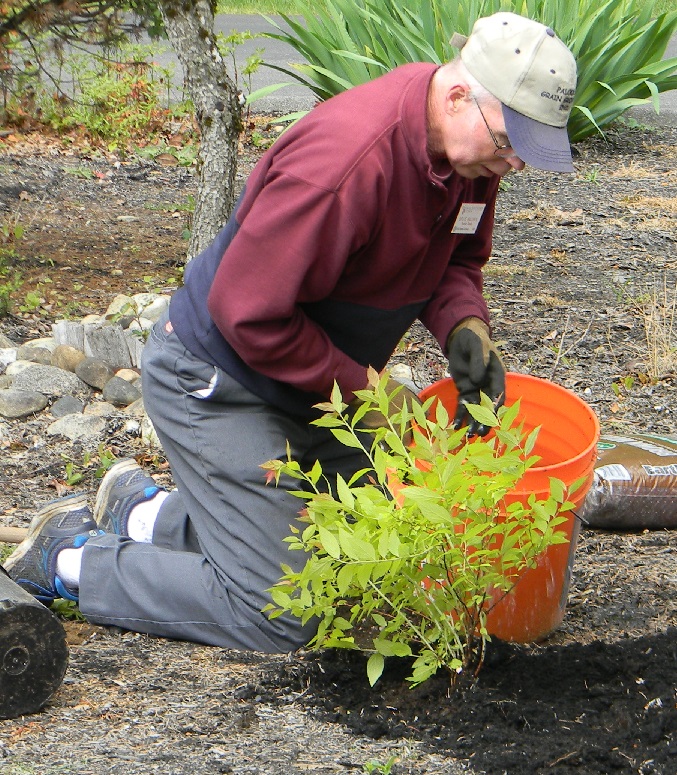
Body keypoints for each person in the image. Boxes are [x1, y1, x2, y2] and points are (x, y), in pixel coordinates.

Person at [4, 12, 577, 652]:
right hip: (220, 380)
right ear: (456, 96)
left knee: (367, 559)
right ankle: (70, 563)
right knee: (287, 609)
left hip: (314, 383)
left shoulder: (470, 161)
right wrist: (367, 391)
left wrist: (464, 325)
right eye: (508, 142)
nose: (516, 160)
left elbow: (458, 257)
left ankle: (144, 514)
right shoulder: (345, 165)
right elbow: (247, 312)